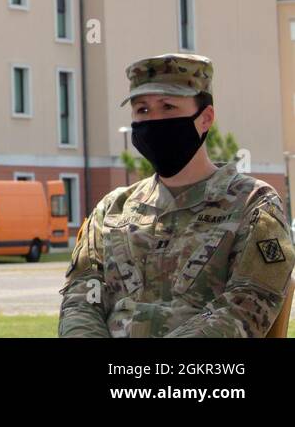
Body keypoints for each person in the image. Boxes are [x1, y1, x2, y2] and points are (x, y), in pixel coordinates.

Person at [59, 53, 295, 337]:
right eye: (142, 111)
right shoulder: (111, 210)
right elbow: (81, 299)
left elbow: (248, 303)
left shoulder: (253, 205)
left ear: (205, 118)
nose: (154, 120)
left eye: (168, 107)